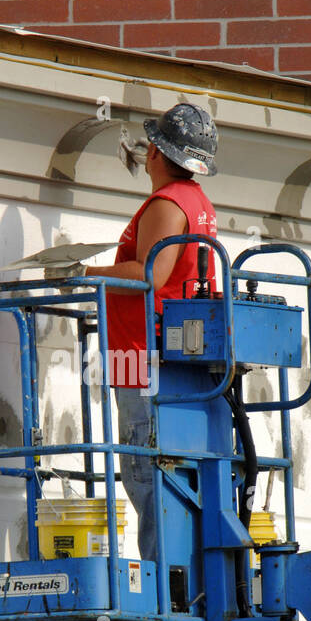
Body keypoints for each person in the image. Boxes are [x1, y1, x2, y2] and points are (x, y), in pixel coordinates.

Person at [82, 103, 219, 561]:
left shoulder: (166, 203)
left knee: (146, 473)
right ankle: (182, 582)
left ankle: (165, 583)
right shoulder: (198, 203)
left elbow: (149, 276)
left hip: (144, 357)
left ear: (157, 153)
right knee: (173, 473)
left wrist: (86, 271)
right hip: (178, 361)